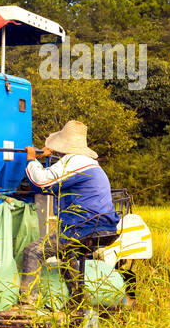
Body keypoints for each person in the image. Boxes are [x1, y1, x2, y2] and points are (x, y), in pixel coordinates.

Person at [20, 120, 120, 302]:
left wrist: (31, 158)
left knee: (33, 251)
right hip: (103, 226)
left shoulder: (74, 161)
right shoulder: (88, 163)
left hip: (85, 227)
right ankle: (78, 303)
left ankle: (27, 306)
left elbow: (42, 182)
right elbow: (55, 178)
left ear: (62, 145)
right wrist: (42, 160)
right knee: (66, 254)